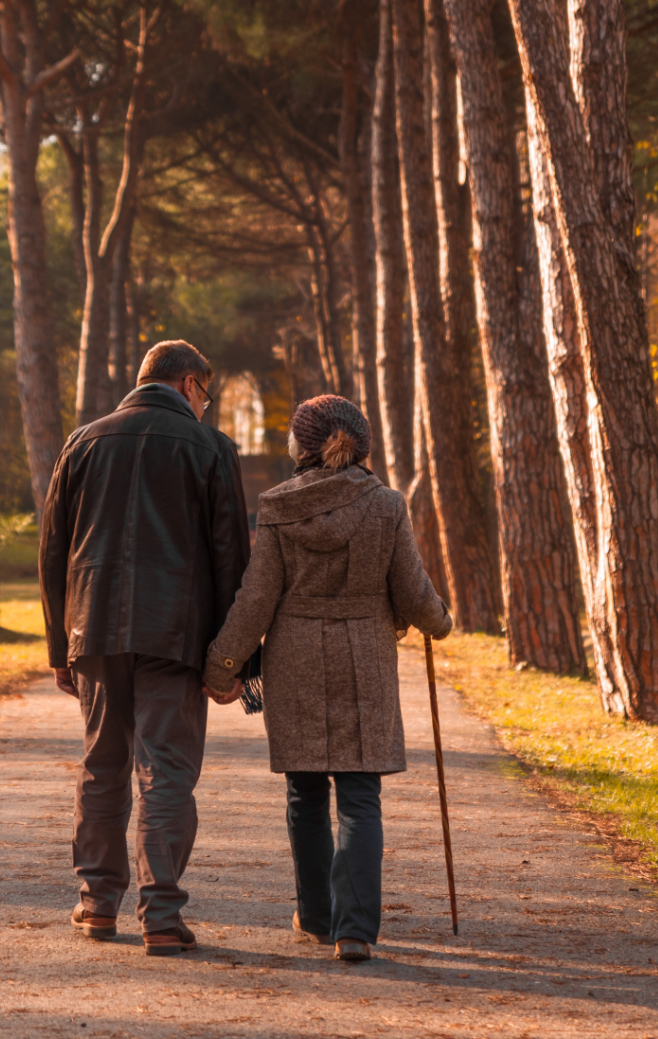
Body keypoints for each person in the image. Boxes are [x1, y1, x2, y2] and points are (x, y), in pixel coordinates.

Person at [199, 395, 452, 963]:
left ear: (300, 447)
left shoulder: (277, 507)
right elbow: (413, 590)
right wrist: (440, 620)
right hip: (365, 655)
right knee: (361, 797)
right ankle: (355, 930)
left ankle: (315, 917)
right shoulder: (386, 505)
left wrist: (222, 664)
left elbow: (256, 597)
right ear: (360, 443)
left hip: (296, 662)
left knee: (306, 793)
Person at [38, 340, 251, 957]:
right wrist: (233, 662)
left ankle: (95, 905)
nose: (205, 408)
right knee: (167, 773)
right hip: (176, 637)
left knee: (102, 766)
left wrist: (61, 647)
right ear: (188, 384)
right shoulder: (211, 450)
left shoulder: (83, 442)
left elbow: (54, 551)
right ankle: (161, 915)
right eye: (205, 396)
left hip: (96, 633)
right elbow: (231, 560)